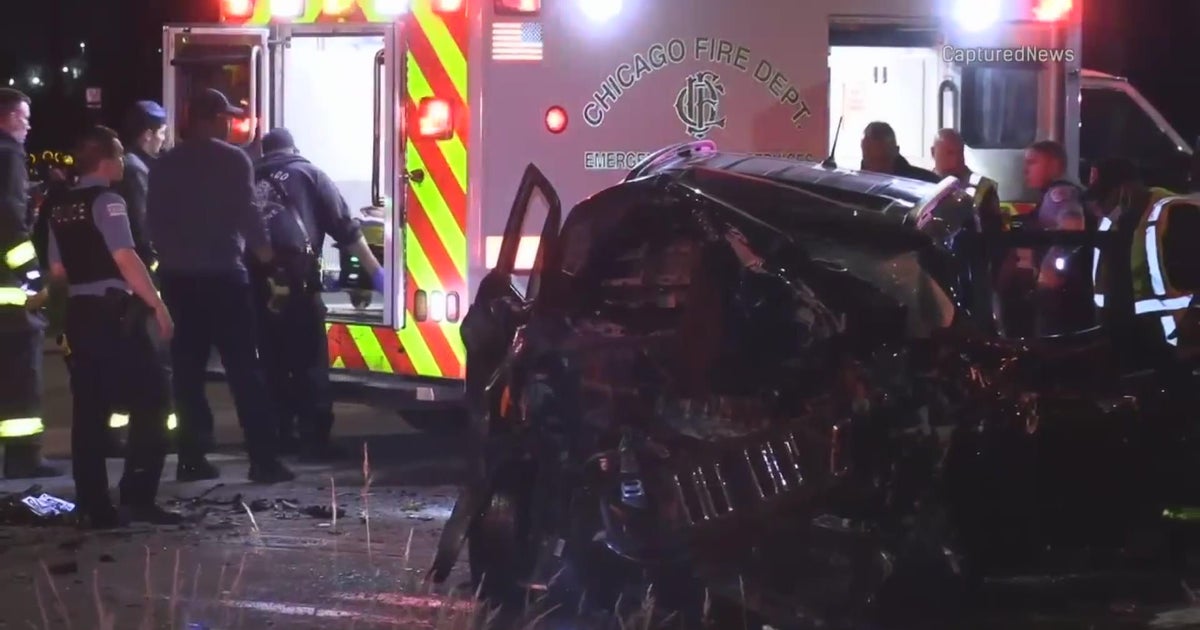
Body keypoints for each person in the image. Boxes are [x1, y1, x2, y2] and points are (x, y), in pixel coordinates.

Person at [146, 88, 293, 483]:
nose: (232, 123)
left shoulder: (164, 164)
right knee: (245, 372)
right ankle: (263, 461)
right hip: (225, 280)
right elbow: (248, 214)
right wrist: (269, 262)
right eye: (226, 117)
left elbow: (153, 223)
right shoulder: (233, 160)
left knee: (187, 375)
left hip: (178, 282)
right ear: (210, 119)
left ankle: (192, 459)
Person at [44, 126, 180, 527]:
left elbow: (57, 269)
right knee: (152, 402)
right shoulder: (108, 201)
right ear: (105, 160)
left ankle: (94, 507)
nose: (123, 162)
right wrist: (157, 305)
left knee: (89, 411)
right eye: (120, 155)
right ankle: (138, 497)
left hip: (80, 314)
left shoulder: (59, 206)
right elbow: (125, 257)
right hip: (116, 315)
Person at [252, 128, 384, 460]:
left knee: (270, 361)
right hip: (296, 279)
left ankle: (278, 435)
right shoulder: (310, 174)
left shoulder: (246, 177)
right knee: (310, 360)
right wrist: (378, 277)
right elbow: (346, 229)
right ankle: (314, 439)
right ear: (294, 148)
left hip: (255, 280)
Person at [0, 88, 61, 478]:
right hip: (9, 291)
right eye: (23, 116)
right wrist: (34, 277)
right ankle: (24, 458)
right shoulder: (8, 155)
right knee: (21, 371)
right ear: (5, 118)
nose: (28, 124)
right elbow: (8, 219)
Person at [1022, 140, 1091, 335]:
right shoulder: (1052, 194)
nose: (1026, 169)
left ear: (1054, 166)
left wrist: (1050, 269)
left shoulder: (1059, 193)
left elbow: (1073, 224)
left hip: (1061, 295)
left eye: (1033, 162)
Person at [931, 128, 1003, 235]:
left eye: (960, 152)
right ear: (933, 152)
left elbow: (995, 234)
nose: (956, 160)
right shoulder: (924, 184)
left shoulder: (983, 187)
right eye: (950, 153)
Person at [860, 121, 940, 183]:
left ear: (896, 151)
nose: (876, 169)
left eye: (882, 161)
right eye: (870, 161)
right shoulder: (854, 189)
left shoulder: (928, 184)